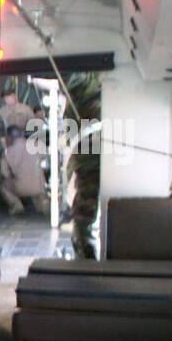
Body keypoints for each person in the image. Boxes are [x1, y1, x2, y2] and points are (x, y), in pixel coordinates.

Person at [65, 72, 103, 258]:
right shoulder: (93, 86)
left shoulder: (77, 87)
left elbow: (70, 127)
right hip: (92, 158)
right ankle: (84, 247)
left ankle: (83, 245)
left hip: (87, 158)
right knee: (86, 209)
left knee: (85, 208)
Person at [0, 81, 48, 215]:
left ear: (15, 96)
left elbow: (34, 128)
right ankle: (41, 204)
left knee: (8, 180)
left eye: (9, 96)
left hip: (24, 142)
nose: (7, 99)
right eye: (5, 97)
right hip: (9, 144)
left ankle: (31, 205)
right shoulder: (1, 111)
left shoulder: (25, 109)